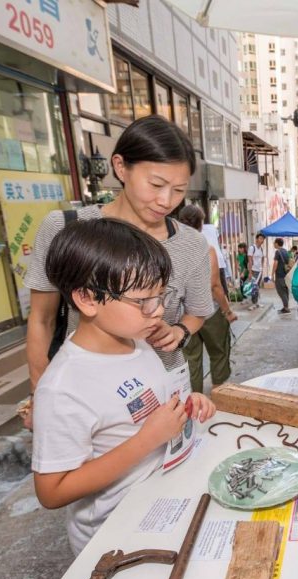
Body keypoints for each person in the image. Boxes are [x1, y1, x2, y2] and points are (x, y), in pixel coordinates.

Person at [31, 218, 217, 555]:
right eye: (143, 301)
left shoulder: (139, 343)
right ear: (87, 299)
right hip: (116, 540)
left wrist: (189, 405)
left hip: (163, 506)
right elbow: (52, 491)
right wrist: (147, 439)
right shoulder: (63, 388)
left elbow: (153, 406)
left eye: (160, 296)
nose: (158, 310)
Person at [23, 115, 214, 426]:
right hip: (88, 389)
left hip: (163, 386)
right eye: (155, 184)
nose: (166, 201)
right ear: (121, 167)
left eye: (179, 190)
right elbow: (41, 319)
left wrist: (179, 332)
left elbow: (198, 311)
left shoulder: (191, 243)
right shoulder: (66, 228)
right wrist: (41, 394)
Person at [177, 204, 237, 394]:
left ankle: (195, 404)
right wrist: (227, 311)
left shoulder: (172, 249)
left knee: (191, 360)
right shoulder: (206, 248)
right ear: (201, 224)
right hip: (208, 311)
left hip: (183, 314)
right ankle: (219, 399)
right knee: (219, 353)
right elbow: (214, 286)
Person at [272, 237, 291, 314]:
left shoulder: (278, 252)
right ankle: (285, 306)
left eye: (274, 243)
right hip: (286, 275)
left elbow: (275, 263)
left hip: (279, 275)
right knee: (285, 291)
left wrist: (272, 273)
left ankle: (286, 308)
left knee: (281, 291)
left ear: (277, 243)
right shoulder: (286, 251)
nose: (273, 244)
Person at [248, 232, 266, 308]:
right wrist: (250, 272)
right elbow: (250, 260)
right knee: (253, 287)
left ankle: (256, 302)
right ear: (256, 239)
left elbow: (262, 258)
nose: (262, 240)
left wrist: (262, 267)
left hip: (259, 271)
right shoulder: (252, 248)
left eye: (263, 239)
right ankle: (253, 303)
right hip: (253, 270)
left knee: (257, 287)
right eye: (260, 238)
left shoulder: (261, 249)